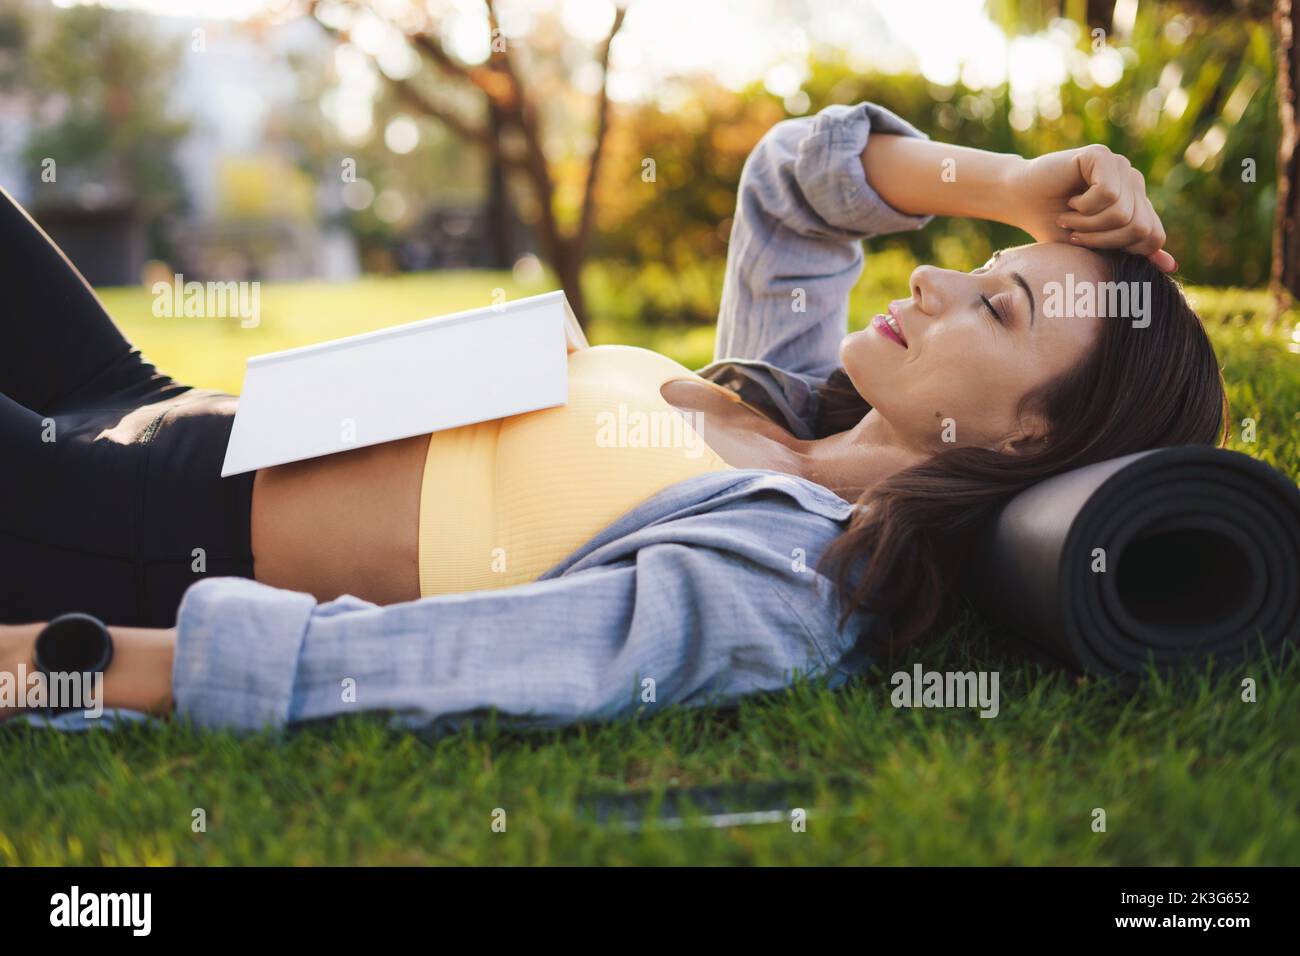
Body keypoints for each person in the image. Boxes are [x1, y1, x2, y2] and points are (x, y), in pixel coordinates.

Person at [0, 100, 1225, 729]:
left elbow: (477, 665)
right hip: (157, 405)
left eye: (997, 309)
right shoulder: (787, 397)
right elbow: (795, 187)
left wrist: (87, 662)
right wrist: (1013, 185)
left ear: (1026, 442)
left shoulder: (790, 573)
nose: (932, 277)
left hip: (129, 533)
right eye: (980, 262)